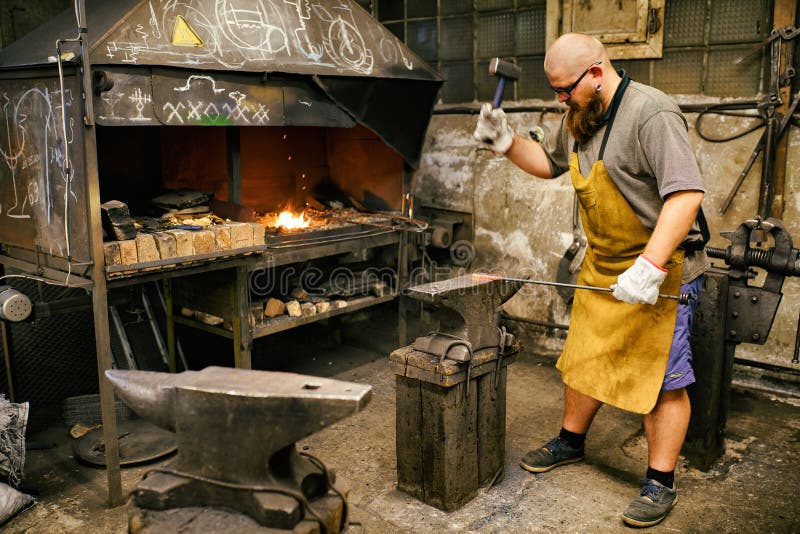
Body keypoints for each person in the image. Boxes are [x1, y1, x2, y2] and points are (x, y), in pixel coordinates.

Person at [474, 33, 710, 528]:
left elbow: (685, 196)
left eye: (565, 89)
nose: (561, 99)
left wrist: (649, 266)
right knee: (586, 358)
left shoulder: (653, 114)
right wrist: (509, 144)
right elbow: (550, 163)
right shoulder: (581, 115)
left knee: (662, 381)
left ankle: (659, 481)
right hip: (604, 265)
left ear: (596, 74)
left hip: (661, 269)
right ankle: (571, 441)